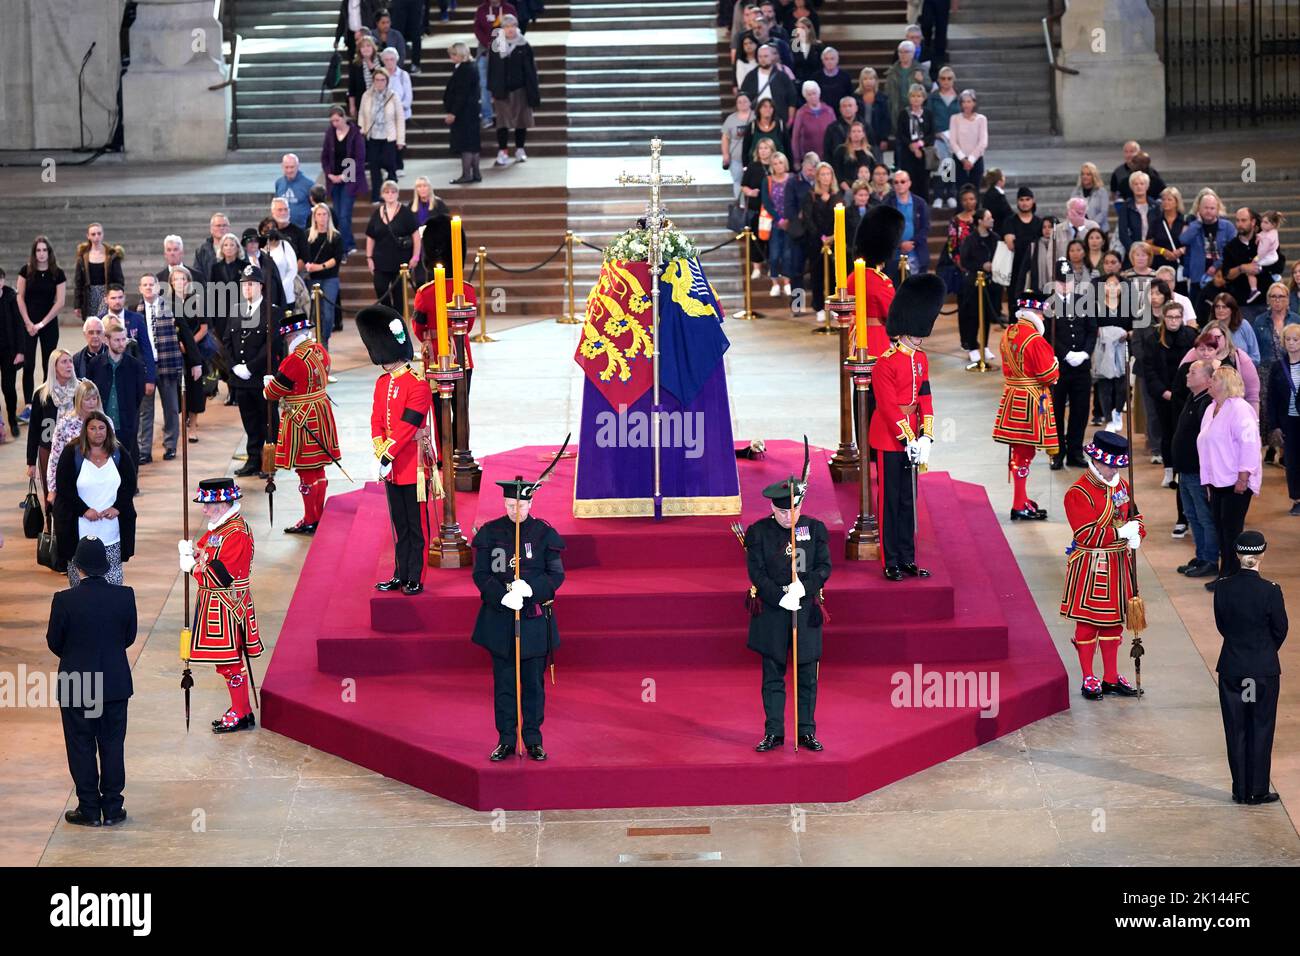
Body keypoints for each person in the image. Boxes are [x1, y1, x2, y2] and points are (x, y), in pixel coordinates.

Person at [471, 462, 567, 761]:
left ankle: (534, 739)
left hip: (534, 622)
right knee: (504, 686)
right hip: (501, 621)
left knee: (533, 686)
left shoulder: (543, 533)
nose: (516, 511)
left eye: (521, 505)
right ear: (504, 503)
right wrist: (502, 596)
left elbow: (555, 576)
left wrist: (531, 590)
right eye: (511, 505)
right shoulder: (490, 533)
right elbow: (481, 575)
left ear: (530, 502)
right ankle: (507, 739)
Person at [46, 536, 136, 827]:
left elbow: (54, 641)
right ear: (106, 565)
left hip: (77, 682)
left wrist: (75, 655)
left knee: (81, 745)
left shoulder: (64, 600)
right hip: (114, 682)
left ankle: (88, 808)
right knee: (112, 745)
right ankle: (112, 807)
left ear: (78, 567)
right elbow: (128, 637)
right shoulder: (125, 595)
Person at [746, 467, 831, 753]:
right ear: (772, 507)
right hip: (773, 611)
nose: (787, 517)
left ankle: (806, 731)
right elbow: (756, 573)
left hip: (805, 612)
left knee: (807, 675)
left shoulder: (815, 528)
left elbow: (823, 568)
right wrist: (780, 596)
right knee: (772, 675)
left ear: (800, 506)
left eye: (792, 511)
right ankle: (774, 733)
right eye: (782, 512)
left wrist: (803, 588)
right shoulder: (757, 533)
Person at [1060, 431, 1144, 701]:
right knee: (1087, 624)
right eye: (1110, 465)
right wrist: (1121, 533)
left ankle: (1110, 677)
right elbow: (1085, 535)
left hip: (1119, 564)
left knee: (1114, 625)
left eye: (1118, 465)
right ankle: (1088, 676)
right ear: (1096, 461)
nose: (1114, 470)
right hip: (1092, 566)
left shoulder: (1121, 486)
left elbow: (1136, 516)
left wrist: (1137, 533)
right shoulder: (1078, 492)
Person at [870, 274, 943, 581]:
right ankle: (891, 561)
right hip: (890, 438)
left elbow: (924, 396)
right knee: (889, 502)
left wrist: (926, 434)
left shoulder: (921, 359)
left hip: (911, 436)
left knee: (908, 501)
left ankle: (908, 558)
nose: (921, 338)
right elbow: (887, 407)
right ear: (904, 331)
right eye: (917, 334)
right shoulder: (884, 363)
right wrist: (908, 437)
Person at [179, 477, 264, 734]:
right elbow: (209, 553)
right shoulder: (220, 527)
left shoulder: (235, 533)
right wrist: (193, 553)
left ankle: (240, 711)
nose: (204, 510)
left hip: (227, 606)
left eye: (208, 505)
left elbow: (219, 576)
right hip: (218, 605)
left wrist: (192, 567)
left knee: (230, 662)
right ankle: (243, 708)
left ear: (223, 503)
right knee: (227, 662)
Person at [359, 304, 432, 595]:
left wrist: (388, 454)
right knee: (399, 525)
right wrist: (380, 450)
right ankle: (401, 574)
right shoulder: (382, 383)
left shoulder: (418, 385)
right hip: (391, 467)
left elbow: (407, 427)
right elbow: (377, 418)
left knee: (415, 526)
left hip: (411, 465)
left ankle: (415, 575)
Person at [1213, 530, 1287, 805]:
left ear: (1237, 554)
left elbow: (1223, 625)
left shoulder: (1222, 587)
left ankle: (1240, 789)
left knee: (1236, 728)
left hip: (1232, 668)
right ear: (1261, 554)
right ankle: (1258, 789)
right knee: (1261, 727)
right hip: (1262, 670)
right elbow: (1280, 628)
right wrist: (1263, 652)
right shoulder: (1271, 590)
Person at [263, 313, 341, 535]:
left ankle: (310, 518)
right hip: (320, 411)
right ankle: (318, 516)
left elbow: (274, 393)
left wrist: (267, 386)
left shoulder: (294, 360)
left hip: (301, 417)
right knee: (318, 469)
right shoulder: (321, 351)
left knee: (306, 470)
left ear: (290, 336)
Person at [993, 296, 1060, 520]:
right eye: (1041, 314)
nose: (1043, 317)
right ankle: (1019, 504)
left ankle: (1020, 499)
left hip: (1013, 395)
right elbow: (1047, 374)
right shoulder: (1034, 339)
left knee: (1017, 450)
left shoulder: (1008, 332)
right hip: (1031, 399)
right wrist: (1056, 364)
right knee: (1025, 453)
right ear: (1034, 313)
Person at [53, 410, 137, 585]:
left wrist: (118, 507)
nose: (98, 432)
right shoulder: (72, 453)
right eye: (93, 428)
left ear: (108, 430)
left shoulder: (118, 452)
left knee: (113, 585)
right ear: (85, 430)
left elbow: (129, 484)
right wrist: (84, 510)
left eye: (101, 428)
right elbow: (64, 488)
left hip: (112, 534)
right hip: (79, 533)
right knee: (79, 588)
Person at [1199, 365, 1262, 591]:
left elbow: (1249, 445)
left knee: (1232, 530)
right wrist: (1207, 480)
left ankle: (1232, 576)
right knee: (1220, 528)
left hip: (1236, 482)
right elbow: (1205, 446)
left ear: (1225, 383)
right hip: (1216, 480)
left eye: (1214, 379)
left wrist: (1243, 478)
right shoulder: (1211, 408)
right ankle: (1225, 573)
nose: (1209, 382)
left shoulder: (1241, 409)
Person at [226, 266, 283, 477]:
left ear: (261, 286)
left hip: (261, 378)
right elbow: (227, 341)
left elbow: (272, 345)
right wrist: (234, 367)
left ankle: (269, 461)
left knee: (267, 421)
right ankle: (253, 459)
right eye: (244, 285)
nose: (247, 288)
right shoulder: (236, 310)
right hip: (241, 379)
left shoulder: (272, 311)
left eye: (251, 284)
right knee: (249, 421)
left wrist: (249, 368)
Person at [137, 273, 200, 463]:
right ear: (140, 289)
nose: (148, 288)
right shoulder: (135, 311)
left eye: (151, 284)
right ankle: (144, 450)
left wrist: (196, 361)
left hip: (168, 363)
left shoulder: (172, 307)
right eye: (145, 285)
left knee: (171, 407)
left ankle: (170, 445)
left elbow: (187, 335)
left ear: (158, 287)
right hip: (146, 367)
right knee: (145, 411)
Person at [1048, 263, 1098, 469]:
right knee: (1057, 410)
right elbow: (1048, 335)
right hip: (1059, 366)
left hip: (1081, 366)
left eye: (1068, 281)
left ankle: (1075, 451)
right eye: (1061, 282)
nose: (1065, 286)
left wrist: (1085, 352)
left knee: (1080, 410)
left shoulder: (1084, 302)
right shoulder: (1049, 305)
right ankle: (1057, 452)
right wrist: (1066, 353)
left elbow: (1091, 329)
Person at [1143, 298, 1198, 487]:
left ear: (1182, 318)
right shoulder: (1154, 339)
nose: (1174, 321)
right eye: (1170, 317)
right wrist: (1163, 392)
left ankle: (1183, 471)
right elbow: (1149, 370)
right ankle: (1168, 471)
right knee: (1168, 433)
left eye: (1177, 317)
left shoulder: (1191, 336)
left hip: (1187, 395)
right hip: (1164, 395)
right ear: (1163, 318)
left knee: (1186, 433)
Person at [1173, 359, 1219, 577]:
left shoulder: (1208, 403)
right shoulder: (1193, 398)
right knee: (1191, 514)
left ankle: (1210, 559)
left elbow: (1208, 440)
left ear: (1208, 379)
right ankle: (1201, 555)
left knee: (1204, 517)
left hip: (1197, 471)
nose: (1187, 375)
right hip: (1185, 470)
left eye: (1193, 372)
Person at [16, 236, 68, 423]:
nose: (41, 254)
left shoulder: (57, 273)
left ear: (49, 252)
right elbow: (19, 298)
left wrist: (42, 324)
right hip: (28, 324)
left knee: (49, 363)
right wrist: (29, 323)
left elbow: (60, 302)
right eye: (38, 250)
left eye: (44, 250)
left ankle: (46, 401)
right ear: (34, 252)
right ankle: (29, 405)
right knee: (28, 365)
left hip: (48, 324)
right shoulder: (26, 271)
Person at [88, 321, 147, 467]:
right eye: (117, 340)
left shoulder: (136, 366)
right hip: (102, 423)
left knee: (128, 458)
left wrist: (129, 411)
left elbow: (139, 395)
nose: (121, 343)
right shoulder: (95, 364)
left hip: (126, 422)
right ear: (106, 340)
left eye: (123, 339)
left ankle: (130, 487)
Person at [488, 14, 540, 166]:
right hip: (502, 90)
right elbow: (492, 70)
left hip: (520, 90)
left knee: (521, 121)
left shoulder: (524, 45)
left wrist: (532, 90)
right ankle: (503, 151)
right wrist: (492, 90)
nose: (510, 29)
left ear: (516, 27)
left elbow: (531, 70)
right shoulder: (497, 45)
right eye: (506, 27)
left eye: (512, 26)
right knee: (502, 123)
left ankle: (520, 150)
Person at [1180, 191, 1236, 319]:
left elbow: (1233, 250)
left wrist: (1217, 265)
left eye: (1212, 208)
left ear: (1218, 209)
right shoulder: (1194, 225)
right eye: (1205, 208)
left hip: (1222, 276)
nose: (1209, 211)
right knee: (1198, 314)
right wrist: (1198, 223)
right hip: (1198, 276)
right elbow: (1183, 240)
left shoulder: (1227, 226)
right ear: (1199, 209)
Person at [365, 179, 422, 303]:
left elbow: (416, 236)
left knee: (399, 297)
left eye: (393, 192)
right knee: (380, 290)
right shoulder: (376, 213)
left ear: (397, 194)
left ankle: (397, 319)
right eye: (387, 192)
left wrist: (415, 257)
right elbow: (370, 237)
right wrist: (369, 258)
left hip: (401, 262)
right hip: (380, 262)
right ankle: (388, 317)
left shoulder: (406, 213)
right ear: (382, 194)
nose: (390, 194)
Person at [322, 106, 368, 256]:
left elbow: (359, 158)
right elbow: (325, 156)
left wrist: (343, 176)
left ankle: (346, 245)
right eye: (332, 121)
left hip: (350, 180)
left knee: (344, 214)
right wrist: (330, 174)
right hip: (333, 180)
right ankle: (345, 244)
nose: (335, 123)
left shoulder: (355, 134)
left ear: (344, 118)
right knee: (337, 213)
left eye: (337, 120)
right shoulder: (330, 133)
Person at [956, 205, 997, 363]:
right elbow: (965, 261)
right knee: (973, 315)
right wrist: (982, 265)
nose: (991, 220)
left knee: (986, 315)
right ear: (980, 221)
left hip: (990, 283)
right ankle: (973, 346)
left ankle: (985, 345)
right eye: (988, 218)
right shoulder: (970, 240)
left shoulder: (994, 238)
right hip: (973, 283)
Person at [798, 160, 838, 321]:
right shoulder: (811, 195)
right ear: (818, 177)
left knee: (834, 275)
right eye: (822, 174)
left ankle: (834, 305)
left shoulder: (837, 195)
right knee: (817, 275)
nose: (826, 177)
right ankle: (819, 306)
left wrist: (833, 237)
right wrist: (820, 237)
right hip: (816, 241)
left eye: (828, 174)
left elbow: (841, 218)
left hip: (834, 240)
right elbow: (808, 218)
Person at [359, 68, 405, 201]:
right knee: (374, 167)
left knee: (390, 165)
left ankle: (391, 196)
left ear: (387, 81)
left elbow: (400, 118)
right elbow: (362, 114)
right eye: (377, 80)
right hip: (373, 136)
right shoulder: (366, 96)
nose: (380, 83)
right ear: (373, 81)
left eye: (382, 80)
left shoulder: (393, 96)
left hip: (389, 136)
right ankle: (376, 195)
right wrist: (362, 129)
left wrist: (400, 139)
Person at [304, 203, 345, 352]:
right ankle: (318, 340)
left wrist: (320, 267)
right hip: (312, 278)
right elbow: (303, 254)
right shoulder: (307, 235)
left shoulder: (335, 236)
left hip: (329, 277)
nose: (322, 217)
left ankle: (324, 340)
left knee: (328, 312)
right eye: (319, 214)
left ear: (329, 216)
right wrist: (308, 266)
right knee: (316, 312)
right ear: (314, 217)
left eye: (324, 214)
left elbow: (337, 258)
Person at [1268, 325, 1300, 515]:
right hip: (1289, 420)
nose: (1291, 343)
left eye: (1296, 339)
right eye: (1288, 339)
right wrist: (1275, 425)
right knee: (1293, 460)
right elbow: (1271, 397)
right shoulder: (1278, 366)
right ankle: (1296, 498)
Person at [444, 40, 483, 184]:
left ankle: (467, 174)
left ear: (460, 55)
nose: (451, 58)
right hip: (471, 111)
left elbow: (461, 94)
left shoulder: (464, 70)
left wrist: (453, 112)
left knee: (466, 144)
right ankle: (476, 173)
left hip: (464, 113)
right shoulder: (471, 67)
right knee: (473, 144)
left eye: (453, 55)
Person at [474, 1, 517, 129]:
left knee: (506, 83)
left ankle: (507, 116)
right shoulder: (482, 10)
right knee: (484, 85)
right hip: (485, 52)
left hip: (505, 51)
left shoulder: (509, 8)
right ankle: (487, 116)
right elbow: (477, 29)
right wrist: (489, 43)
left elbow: (514, 28)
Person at [72, 224, 123, 323]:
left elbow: (119, 279)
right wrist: (77, 304)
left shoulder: (111, 255)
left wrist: (114, 295)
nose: (96, 237)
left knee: (105, 323)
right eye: (93, 234)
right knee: (92, 325)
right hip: (89, 294)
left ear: (103, 234)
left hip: (107, 293)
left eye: (99, 233)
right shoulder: (83, 257)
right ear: (88, 236)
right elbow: (78, 282)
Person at [885, 169, 930, 280]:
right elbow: (885, 228)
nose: (899, 185)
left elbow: (925, 227)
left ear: (909, 183)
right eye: (896, 182)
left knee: (915, 290)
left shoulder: (920, 203)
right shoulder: (887, 203)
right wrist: (900, 244)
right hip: (894, 255)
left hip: (916, 253)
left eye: (902, 181)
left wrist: (912, 243)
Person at [740, 44, 798, 127]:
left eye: (766, 56)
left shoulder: (782, 77)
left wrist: (790, 120)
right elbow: (743, 97)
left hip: (778, 119)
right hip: (755, 119)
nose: (763, 59)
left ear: (772, 57)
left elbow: (792, 98)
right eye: (760, 57)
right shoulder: (750, 77)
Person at [894, 83, 933, 205]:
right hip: (908, 153)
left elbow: (931, 133)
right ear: (909, 98)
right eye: (913, 96)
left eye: (919, 96)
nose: (916, 99)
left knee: (923, 182)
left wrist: (921, 144)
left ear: (923, 98)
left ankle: (924, 207)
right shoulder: (904, 114)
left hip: (924, 153)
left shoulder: (928, 113)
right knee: (910, 181)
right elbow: (900, 134)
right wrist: (911, 145)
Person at [791, 81, 835, 173]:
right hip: (808, 157)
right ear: (805, 96)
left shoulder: (829, 111)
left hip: (827, 156)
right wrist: (796, 160)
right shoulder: (801, 113)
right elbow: (795, 138)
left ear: (819, 93)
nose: (812, 97)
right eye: (809, 94)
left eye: (814, 93)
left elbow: (835, 134)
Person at [1210, 293, 1260, 365]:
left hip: (1243, 371)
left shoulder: (1244, 325)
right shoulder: (1209, 329)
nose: (1220, 310)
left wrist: (1240, 362)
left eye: (1224, 307)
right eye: (1217, 307)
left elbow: (1255, 357)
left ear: (1232, 310)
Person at [273, 153, 313, 230]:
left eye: (292, 167)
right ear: (282, 166)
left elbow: (315, 207)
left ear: (298, 166)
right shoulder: (279, 183)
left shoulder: (309, 184)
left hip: (303, 230)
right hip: (282, 229)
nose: (289, 170)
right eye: (286, 167)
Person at [348, 32, 383, 118]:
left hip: (380, 102)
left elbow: (379, 79)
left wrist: (369, 62)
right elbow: (351, 87)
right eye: (362, 47)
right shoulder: (356, 65)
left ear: (373, 47)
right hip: (362, 102)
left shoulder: (381, 61)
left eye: (368, 46)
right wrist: (352, 106)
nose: (365, 49)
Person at [191, 213, 231, 284]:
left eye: (224, 225)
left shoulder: (238, 249)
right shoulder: (202, 251)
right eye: (218, 226)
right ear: (211, 229)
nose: (222, 228)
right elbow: (197, 276)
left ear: (229, 228)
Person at [1071, 162, 1110, 228]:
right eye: (1083, 174)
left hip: (1099, 228)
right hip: (1080, 229)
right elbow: (1072, 210)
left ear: (1094, 176)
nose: (1084, 177)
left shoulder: (1102, 192)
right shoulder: (1076, 192)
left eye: (1088, 174)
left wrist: (1091, 225)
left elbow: (1103, 213)